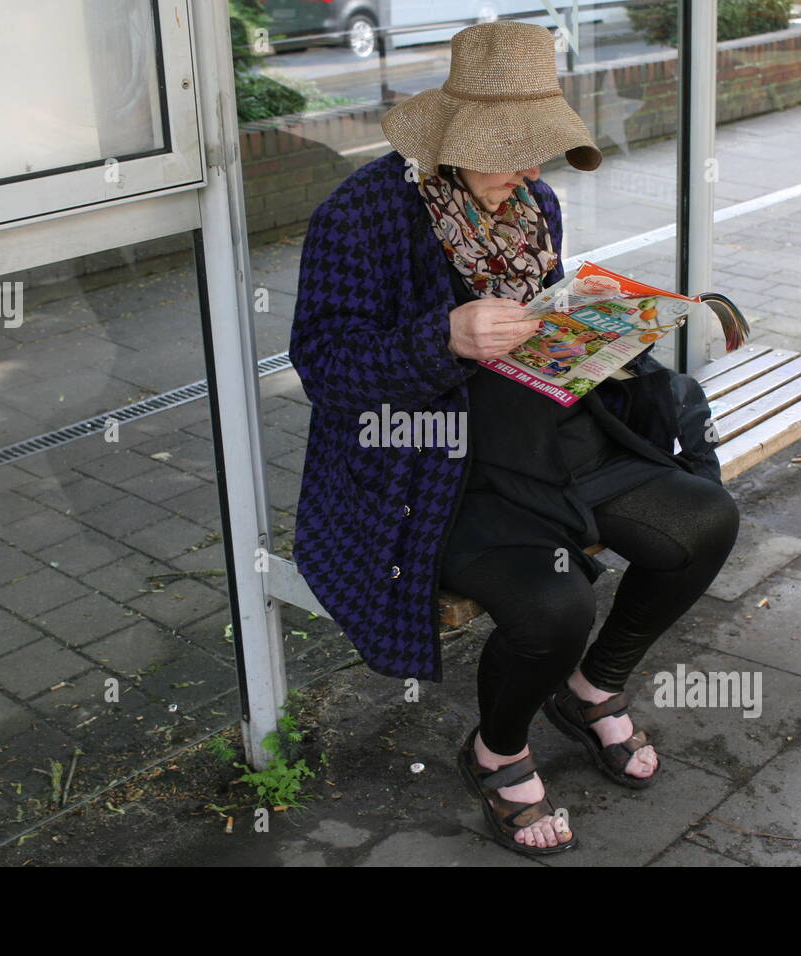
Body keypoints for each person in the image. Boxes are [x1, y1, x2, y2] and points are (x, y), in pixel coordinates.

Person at [288, 20, 739, 858]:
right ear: (454, 143)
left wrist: (597, 332)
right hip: (427, 468)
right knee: (555, 602)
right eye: (515, 154)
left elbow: (540, 323)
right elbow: (324, 367)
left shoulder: (535, 201)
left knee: (704, 519)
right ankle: (496, 748)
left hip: (555, 433)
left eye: (541, 152)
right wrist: (445, 339)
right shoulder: (362, 217)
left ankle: (590, 691)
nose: (534, 173)